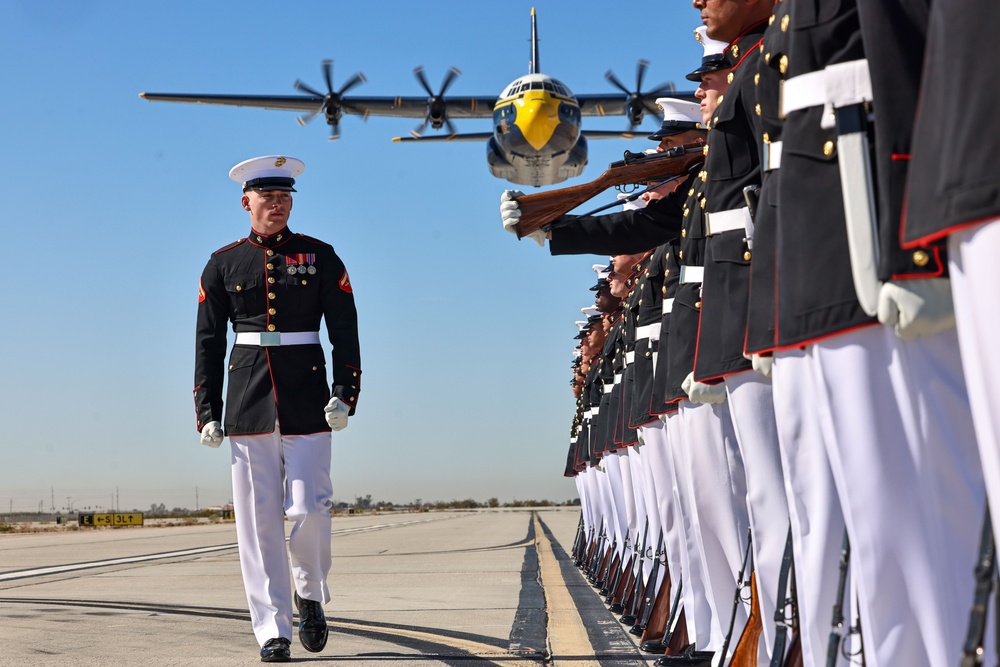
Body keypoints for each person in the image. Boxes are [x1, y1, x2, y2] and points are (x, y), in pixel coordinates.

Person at [194, 155, 362, 663]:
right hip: (247, 400)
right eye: (267, 197)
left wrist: (345, 392)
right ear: (246, 202)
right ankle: (272, 629)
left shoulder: (320, 256)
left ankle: (309, 593)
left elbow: (345, 332)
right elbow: (207, 341)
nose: (277, 204)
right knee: (257, 520)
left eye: (284, 197)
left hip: (309, 397)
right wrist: (207, 410)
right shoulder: (223, 263)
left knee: (310, 508)